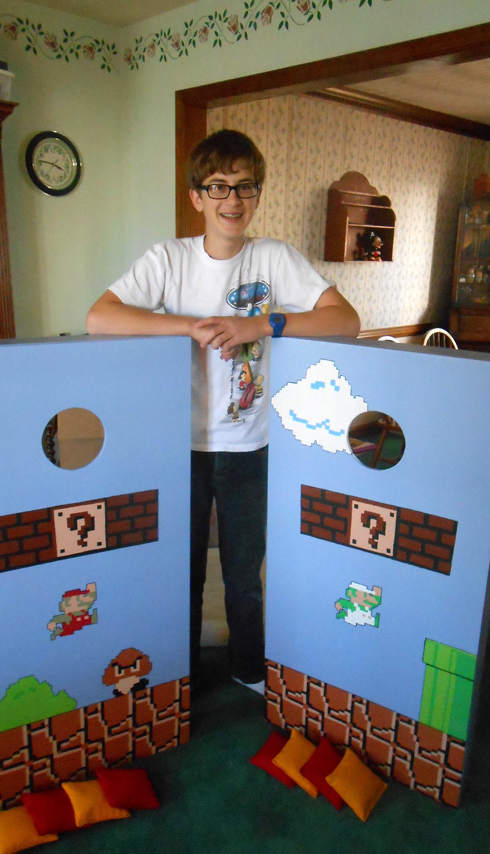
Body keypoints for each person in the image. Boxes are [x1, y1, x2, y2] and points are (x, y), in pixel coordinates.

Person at [87, 129, 360, 693]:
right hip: (179, 447)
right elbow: (100, 317)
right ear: (196, 196)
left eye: (244, 186)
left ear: (256, 194)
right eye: (218, 186)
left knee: (243, 574)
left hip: (249, 447)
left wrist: (261, 323)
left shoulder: (273, 257)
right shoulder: (169, 258)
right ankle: (181, 674)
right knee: (181, 571)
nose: (232, 200)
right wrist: (188, 325)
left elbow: (345, 320)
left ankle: (247, 668)